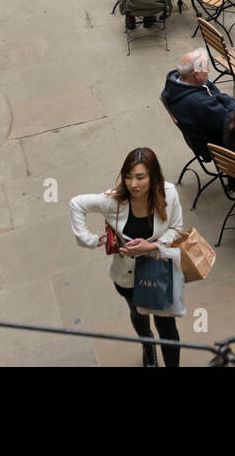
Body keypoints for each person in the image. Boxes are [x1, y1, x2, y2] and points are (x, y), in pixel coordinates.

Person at [69, 148, 185, 368]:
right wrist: (91, 240)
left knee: (167, 327)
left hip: (159, 272)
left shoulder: (168, 193)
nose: (133, 184)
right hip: (127, 277)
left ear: (153, 176)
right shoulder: (113, 200)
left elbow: (177, 230)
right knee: (138, 313)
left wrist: (151, 245)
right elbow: (77, 203)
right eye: (128, 177)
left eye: (140, 177)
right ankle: (148, 346)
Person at [161, 50, 235, 159]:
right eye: (206, 69)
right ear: (196, 74)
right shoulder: (200, 103)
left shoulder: (176, 82)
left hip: (204, 131)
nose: (209, 71)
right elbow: (230, 124)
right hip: (217, 145)